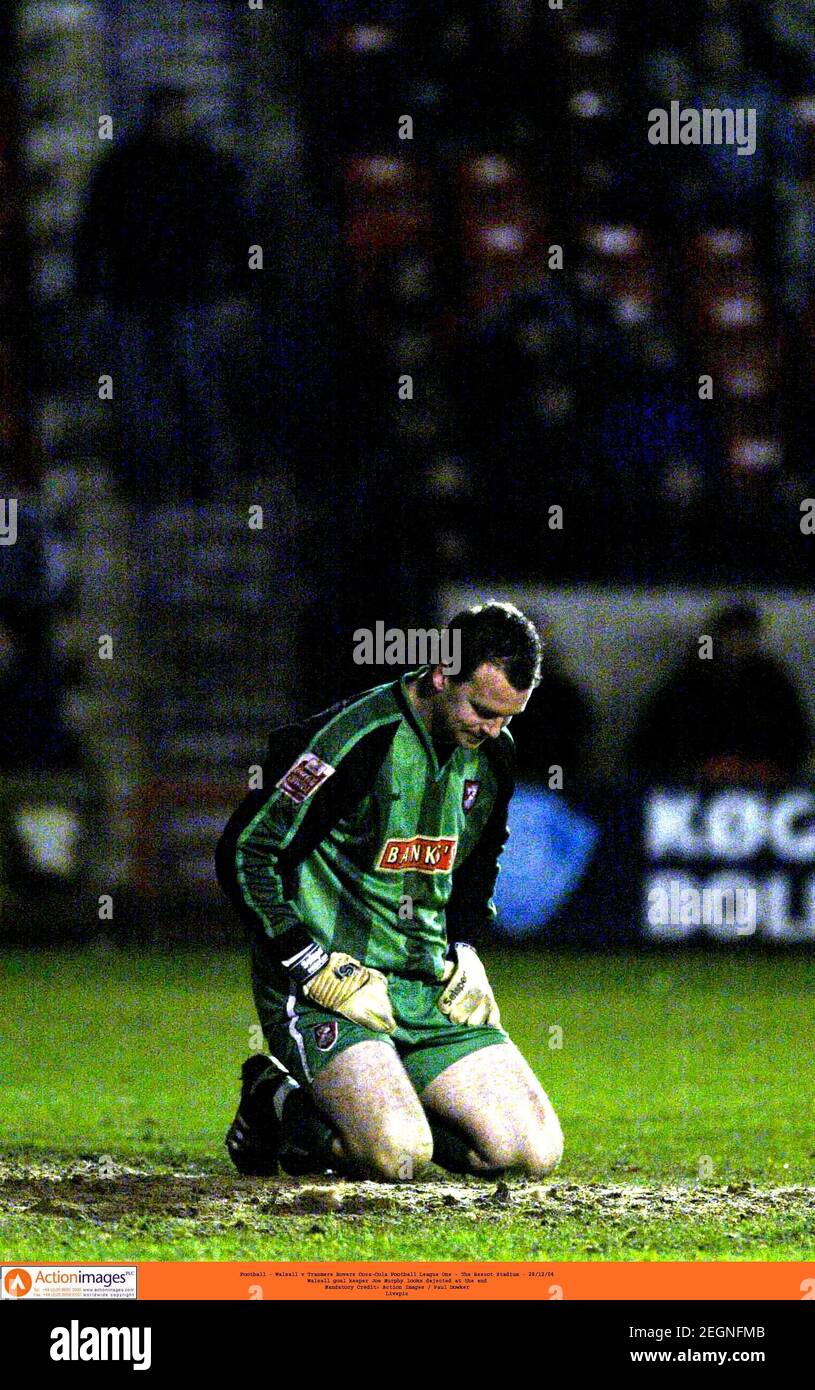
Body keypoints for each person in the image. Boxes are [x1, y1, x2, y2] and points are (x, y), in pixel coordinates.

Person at [215, 602, 564, 1181]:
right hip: (331, 985)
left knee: (529, 1153)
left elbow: (479, 864)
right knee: (395, 1154)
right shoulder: (358, 739)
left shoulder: (493, 755)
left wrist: (467, 949)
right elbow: (245, 852)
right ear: (439, 675)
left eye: (509, 718)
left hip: (424, 986)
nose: (493, 730)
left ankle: (388, 1094)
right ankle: (274, 1100)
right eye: (482, 710)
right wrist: (310, 964)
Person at [73, 84, 249, 502]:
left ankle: (187, 476)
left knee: (184, 387)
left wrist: (240, 280)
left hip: (170, 293)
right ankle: (163, 478)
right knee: (147, 391)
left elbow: (233, 229)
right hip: (149, 293)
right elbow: (93, 231)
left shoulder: (141, 167)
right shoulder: (150, 167)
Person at [629, 601, 812, 784]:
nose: (737, 644)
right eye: (731, 636)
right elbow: (656, 739)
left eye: (744, 637)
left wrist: (760, 767)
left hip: (761, 784)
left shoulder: (773, 682)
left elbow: (794, 739)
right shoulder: (690, 681)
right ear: (718, 639)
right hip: (695, 783)